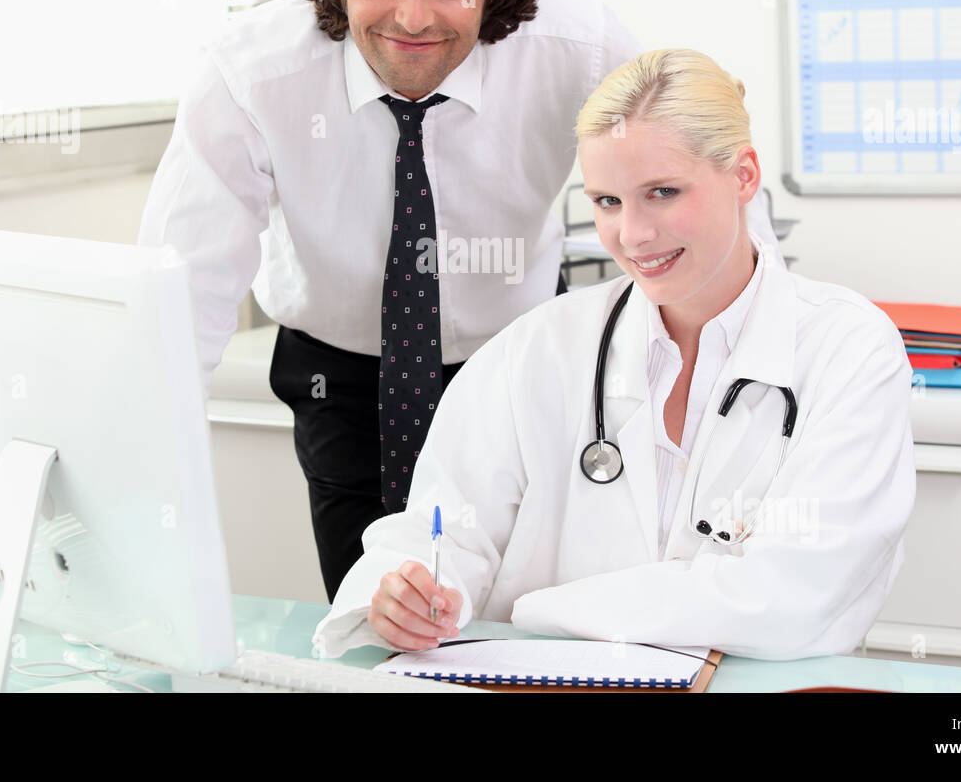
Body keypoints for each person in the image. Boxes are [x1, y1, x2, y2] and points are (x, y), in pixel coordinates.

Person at [138, 0, 781, 601]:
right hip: (341, 376)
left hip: (526, 362)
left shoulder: (575, 46)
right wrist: (138, 467)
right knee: (381, 612)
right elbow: (182, 290)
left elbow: (697, 169)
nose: (414, 16)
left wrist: (772, 353)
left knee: (528, 605)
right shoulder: (250, 76)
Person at [312, 49, 916, 660]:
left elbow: (796, 592)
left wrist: (537, 610)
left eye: (661, 192)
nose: (632, 234)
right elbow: (446, 531)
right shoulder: (540, 346)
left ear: (743, 176)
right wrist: (412, 592)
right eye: (607, 201)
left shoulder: (849, 349)